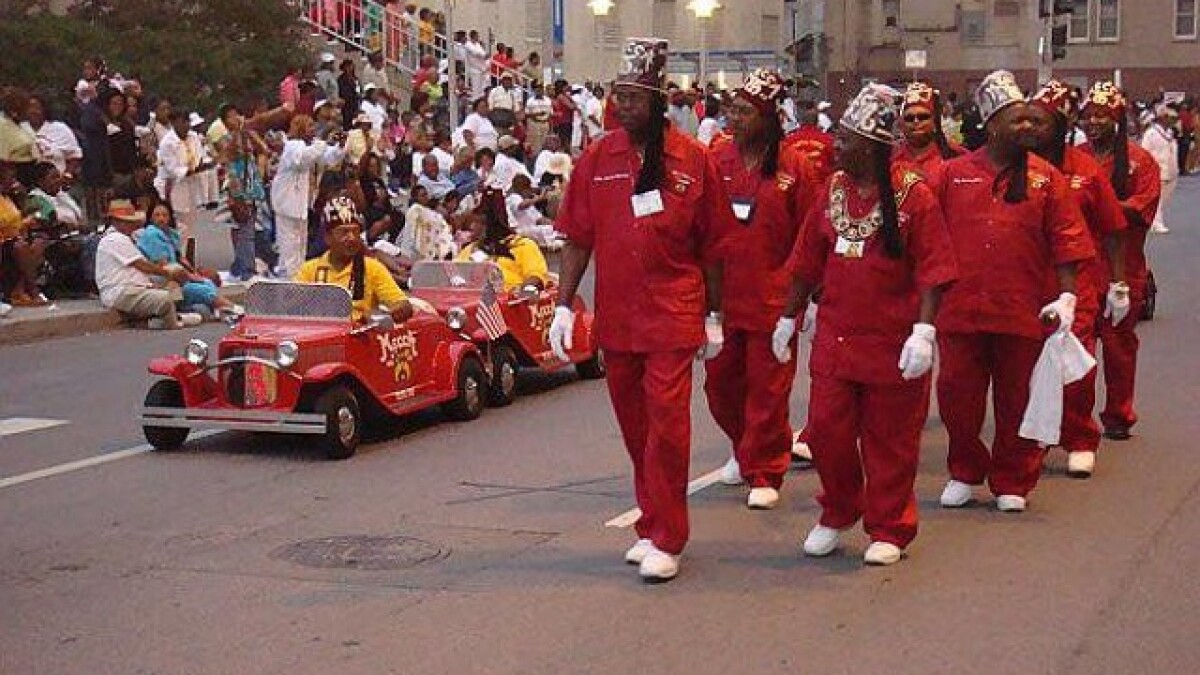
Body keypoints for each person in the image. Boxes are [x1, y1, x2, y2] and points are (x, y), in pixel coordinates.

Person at [550, 38, 737, 582]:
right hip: (619, 318)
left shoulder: (693, 160)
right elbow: (577, 238)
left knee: (669, 427)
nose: (623, 107)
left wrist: (715, 317)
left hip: (674, 314)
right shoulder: (598, 158)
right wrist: (564, 306)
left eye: (634, 98)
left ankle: (670, 537)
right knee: (636, 428)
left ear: (657, 103)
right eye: (618, 97)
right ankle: (652, 520)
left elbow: (715, 246)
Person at [775, 83, 958, 565]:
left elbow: (934, 270)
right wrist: (786, 316)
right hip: (836, 338)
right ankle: (839, 508)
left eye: (847, 139)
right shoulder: (831, 190)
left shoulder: (914, 196)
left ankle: (890, 526)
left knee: (890, 441)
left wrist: (925, 332)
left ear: (874, 146)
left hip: (893, 342)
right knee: (826, 432)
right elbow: (805, 261)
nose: (836, 145)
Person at [933, 71, 1094, 513]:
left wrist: (1067, 298)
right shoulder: (952, 175)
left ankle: (1013, 478)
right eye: (1017, 120)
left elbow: (1067, 240)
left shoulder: (1047, 179)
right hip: (960, 312)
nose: (1029, 128)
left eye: (1032, 121)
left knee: (1018, 399)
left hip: (1024, 311)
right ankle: (965, 468)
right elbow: (926, 239)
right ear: (991, 126)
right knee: (956, 397)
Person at [703, 70, 821, 511]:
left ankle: (766, 468)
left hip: (775, 300)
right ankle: (744, 446)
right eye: (732, 109)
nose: (734, 117)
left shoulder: (796, 167)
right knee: (721, 388)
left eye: (744, 111)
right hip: (723, 299)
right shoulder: (717, 160)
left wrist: (805, 297)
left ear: (768, 118)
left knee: (768, 391)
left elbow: (810, 235)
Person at [1026, 80, 1129, 479]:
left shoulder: (1084, 169)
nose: (1032, 129)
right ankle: (1033, 440)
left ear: (1060, 123)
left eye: (1040, 121)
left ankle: (1080, 438)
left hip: (1078, 280)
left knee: (1076, 364)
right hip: (1028, 280)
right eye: (1028, 119)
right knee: (1026, 365)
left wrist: (1118, 285)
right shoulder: (1018, 166)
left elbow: (1114, 228)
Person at [1079, 82, 1162, 443]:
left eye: (1102, 115)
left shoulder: (1140, 162)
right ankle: (1074, 422)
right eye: (1089, 115)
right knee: (1076, 351)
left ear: (1117, 119)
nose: (1094, 121)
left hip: (1122, 270)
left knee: (1118, 348)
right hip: (1080, 270)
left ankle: (1118, 414)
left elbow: (1141, 208)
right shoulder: (1075, 157)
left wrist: (1100, 206)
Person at [295, 192, 414, 324]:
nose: (351, 238)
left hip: (360, 337)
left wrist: (397, 312)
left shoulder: (372, 268)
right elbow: (293, 309)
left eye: (355, 232)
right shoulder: (309, 270)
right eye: (344, 232)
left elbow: (402, 304)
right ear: (328, 238)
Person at [94, 200, 200, 329]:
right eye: (128, 222)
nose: (132, 225)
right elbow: (142, 265)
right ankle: (174, 321)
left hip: (134, 287)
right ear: (117, 222)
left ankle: (171, 315)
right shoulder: (115, 239)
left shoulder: (125, 237)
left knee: (171, 282)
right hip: (121, 291)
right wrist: (168, 273)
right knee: (164, 298)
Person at [270, 115, 347, 278]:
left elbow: (329, 158)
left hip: (299, 204)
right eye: (310, 126)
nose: (313, 130)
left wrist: (339, 146)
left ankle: (298, 276)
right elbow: (303, 159)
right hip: (287, 203)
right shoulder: (292, 145)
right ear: (300, 128)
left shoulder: (310, 146)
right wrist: (324, 141)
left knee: (300, 245)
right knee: (288, 244)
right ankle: (287, 277)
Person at [137, 201, 240, 318]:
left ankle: (220, 308)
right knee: (199, 289)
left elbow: (179, 258)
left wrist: (193, 273)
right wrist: (190, 277)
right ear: (151, 217)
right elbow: (163, 265)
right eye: (157, 215)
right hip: (164, 278)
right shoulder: (152, 234)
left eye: (165, 215)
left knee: (207, 282)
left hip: (178, 275)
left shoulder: (170, 234)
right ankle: (232, 308)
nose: (161, 219)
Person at [456, 185, 547, 291]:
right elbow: (454, 273)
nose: (472, 227)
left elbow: (536, 276)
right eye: (473, 222)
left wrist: (524, 290)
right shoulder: (470, 249)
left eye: (480, 223)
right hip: (471, 300)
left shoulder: (523, 245)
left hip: (511, 301)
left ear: (494, 224)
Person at [215, 104, 269, 282]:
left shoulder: (249, 134)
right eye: (230, 116)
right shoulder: (224, 138)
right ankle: (242, 266)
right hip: (235, 182)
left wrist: (260, 171)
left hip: (250, 181)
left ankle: (244, 266)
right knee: (238, 224)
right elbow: (229, 153)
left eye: (236, 114)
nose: (235, 118)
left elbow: (263, 149)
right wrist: (238, 133)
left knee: (249, 227)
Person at [154, 111, 210, 251]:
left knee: (192, 228)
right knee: (180, 227)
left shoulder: (193, 137)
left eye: (187, 122)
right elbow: (174, 170)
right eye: (181, 122)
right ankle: (179, 259)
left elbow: (199, 157)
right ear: (174, 123)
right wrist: (196, 169)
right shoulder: (167, 143)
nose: (185, 126)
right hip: (174, 187)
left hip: (193, 186)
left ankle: (190, 262)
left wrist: (206, 164)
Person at [895, 82, 963, 177]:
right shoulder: (891, 157)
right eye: (909, 118)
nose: (916, 122)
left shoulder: (958, 156)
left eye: (923, 117)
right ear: (902, 124)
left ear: (934, 121)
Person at [1141, 104, 1178, 234]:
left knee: (1163, 198)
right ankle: (1157, 223)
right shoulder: (1151, 133)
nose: (1172, 121)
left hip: (1170, 170)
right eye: (1169, 118)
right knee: (1158, 198)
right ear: (1162, 118)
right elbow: (1144, 152)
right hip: (1157, 169)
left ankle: (1152, 219)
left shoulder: (1170, 133)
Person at [400, 184, 456, 263]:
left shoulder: (429, 209)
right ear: (416, 198)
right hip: (412, 249)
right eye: (423, 195)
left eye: (426, 194)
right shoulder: (414, 209)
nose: (426, 197)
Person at [785, 101, 835, 184]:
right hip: (821, 190)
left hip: (796, 190)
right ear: (817, 122)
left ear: (801, 121)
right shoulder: (829, 141)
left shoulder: (788, 141)